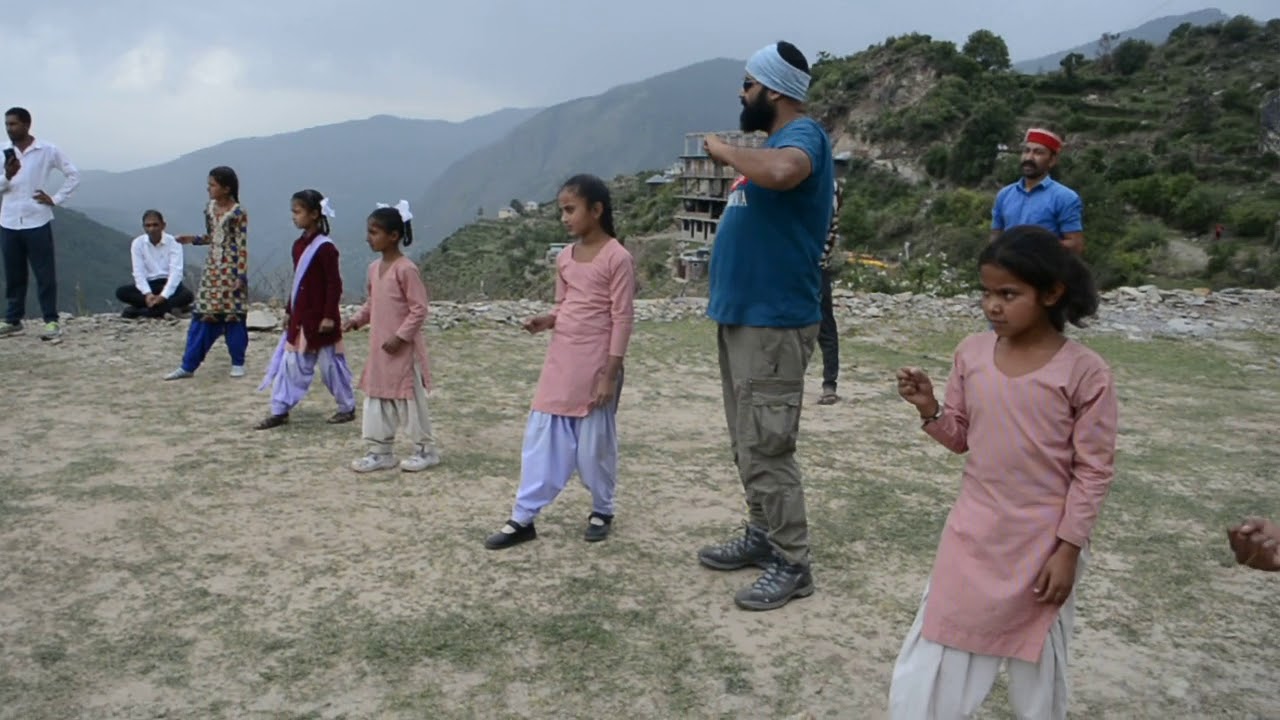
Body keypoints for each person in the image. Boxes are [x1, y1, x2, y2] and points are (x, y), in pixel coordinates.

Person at [888, 225, 1118, 720]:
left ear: (1052, 293)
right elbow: (961, 437)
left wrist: (1069, 550)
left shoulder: (1085, 372)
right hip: (973, 531)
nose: (993, 306)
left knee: (1037, 661)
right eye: (987, 293)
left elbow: (1093, 471)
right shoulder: (971, 353)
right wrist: (930, 408)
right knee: (935, 645)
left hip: (1043, 543)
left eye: (1009, 294)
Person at [696, 41, 834, 611]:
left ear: (773, 91)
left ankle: (792, 562)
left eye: (748, 84)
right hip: (744, 318)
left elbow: (784, 172)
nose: (740, 93)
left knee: (768, 445)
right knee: (748, 442)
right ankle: (761, 534)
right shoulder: (774, 142)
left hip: (774, 323)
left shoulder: (801, 139)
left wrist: (725, 151)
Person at [484, 174, 636, 550]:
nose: (565, 218)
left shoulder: (617, 257)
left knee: (594, 446)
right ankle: (523, 517)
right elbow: (563, 305)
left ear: (596, 210)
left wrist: (608, 374)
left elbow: (622, 318)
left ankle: (603, 508)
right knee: (542, 440)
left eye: (571, 210)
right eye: (561, 211)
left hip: (597, 365)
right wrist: (548, 320)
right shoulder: (564, 257)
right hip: (562, 362)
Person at [342, 201, 440, 473]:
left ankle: (425, 450)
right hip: (380, 349)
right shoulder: (374, 269)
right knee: (377, 398)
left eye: (374, 232)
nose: (368, 237)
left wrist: (400, 337)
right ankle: (380, 451)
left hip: (402, 350)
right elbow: (373, 303)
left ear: (394, 236)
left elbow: (419, 309)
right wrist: (356, 320)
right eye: (369, 231)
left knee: (408, 398)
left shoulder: (406, 269)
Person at [254, 190, 356, 430]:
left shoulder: (325, 248)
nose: (294, 217)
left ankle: (347, 406)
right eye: (293, 212)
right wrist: (290, 310)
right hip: (301, 318)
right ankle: (280, 409)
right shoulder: (299, 245)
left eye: (298, 212)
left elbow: (334, 283)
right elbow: (298, 282)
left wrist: (330, 315)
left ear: (314, 214)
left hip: (321, 318)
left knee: (331, 365)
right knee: (291, 365)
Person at [0, 107, 80, 341]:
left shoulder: (47, 150)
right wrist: (8, 176)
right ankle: (13, 320)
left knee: (44, 273)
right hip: (9, 221)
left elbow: (73, 175)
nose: (9, 128)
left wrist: (55, 199)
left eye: (13, 124)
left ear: (26, 124)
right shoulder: (3, 150)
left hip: (37, 220)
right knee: (14, 274)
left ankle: (51, 320)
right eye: (6, 124)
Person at [164, 166, 249, 380]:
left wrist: (240, 275)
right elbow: (213, 236)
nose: (208, 188)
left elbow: (241, 245)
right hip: (212, 269)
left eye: (213, 185)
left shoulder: (238, 213)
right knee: (203, 314)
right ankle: (188, 364)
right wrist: (192, 239)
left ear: (226, 188)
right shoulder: (209, 209)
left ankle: (238, 361)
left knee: (233, 315)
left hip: (230, 268)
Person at [990, 128, 1084, 255]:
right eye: (1026, 151)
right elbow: (995, 237)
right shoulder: (1005, 195)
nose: (1029, 157)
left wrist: (1035, 246)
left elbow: (1075, 245)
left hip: (1042, 272)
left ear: (1052, 160)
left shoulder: (1065, 197)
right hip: (1008, 271)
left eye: (1038, 153)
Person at [116, 210, 193, 319]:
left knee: (187, 296)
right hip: (150, 284)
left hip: (168, 284)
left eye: (155, 225)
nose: (151, 229)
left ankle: (139, 312)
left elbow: (176, 273)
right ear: (143, 227)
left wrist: (163, 296)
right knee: (122, 292)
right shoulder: (138, 243)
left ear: (163, 225)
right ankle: (165, 309)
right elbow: (138, 272)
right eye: (148, 226)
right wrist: (148, 294)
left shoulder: (174, 242)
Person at [816, 155, 848, 405]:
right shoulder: (832, 187)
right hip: (814, 265)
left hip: (812, 265)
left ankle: (829, 383)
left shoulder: (829, 188)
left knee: (824, 326)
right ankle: (829, 383)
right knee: (824, 325)